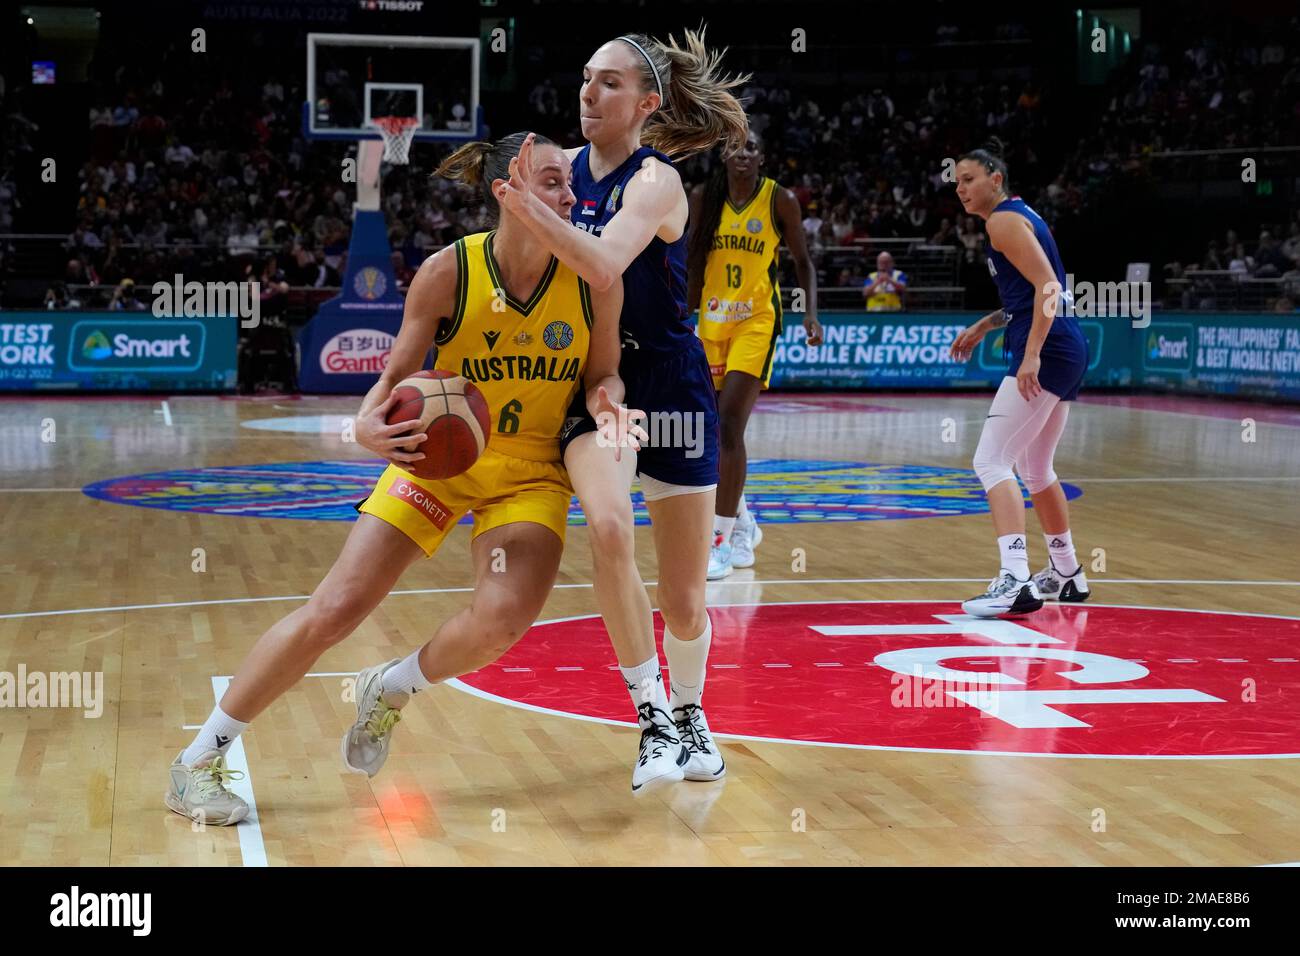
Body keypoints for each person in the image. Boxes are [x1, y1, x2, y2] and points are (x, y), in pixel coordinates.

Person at [164, 132, 634, 824]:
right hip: (435, 463)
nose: (571, 196)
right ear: (507, 190)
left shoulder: (597, 277)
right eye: (553, 182)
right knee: (335, 609)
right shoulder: (449, 272)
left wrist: (609, 405)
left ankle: (391, 687)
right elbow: (389, 381)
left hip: (529, 471)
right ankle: (198, 760)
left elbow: (603, 375)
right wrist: (366, 426)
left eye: (571, 184)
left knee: (502, 620)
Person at [495, 29, 747, 790]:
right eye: (583, 78)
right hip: (601, 383)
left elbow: (603, 262)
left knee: (685, 598)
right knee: (607, 527)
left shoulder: (657, 182)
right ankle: (652, 717)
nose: (588, 93)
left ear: (646, 103)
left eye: (608, 83)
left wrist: (518, 203)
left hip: (673, 388)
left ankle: (694, 712)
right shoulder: (560, 173)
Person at [949, 138, 1091, 618]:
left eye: (969, 180)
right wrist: (984, 325)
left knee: (991, 461)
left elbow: (1048, 287)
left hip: (1048, 350)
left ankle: (1014, 579)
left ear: (996, 179)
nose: (961, 190)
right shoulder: (1020, 215)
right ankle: (1067, 572)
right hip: (1067, 347)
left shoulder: (1002, 222)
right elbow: (1028, 293)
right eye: (956, 183)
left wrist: (1030, 355)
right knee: (1035, 470)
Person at [686, 128, 823, 579]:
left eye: (750, 147)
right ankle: (743, 522)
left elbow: (802, 260)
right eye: (734, 146)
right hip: (712, 320)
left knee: (728, 425)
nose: (742, 153)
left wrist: (810, 315)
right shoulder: (703, 195)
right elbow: (692, 257)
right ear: (722, 155)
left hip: (756, 321)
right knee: (710, 432)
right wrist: (680, 313)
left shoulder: (779, 199)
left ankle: (719, 541)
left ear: (762, 157)